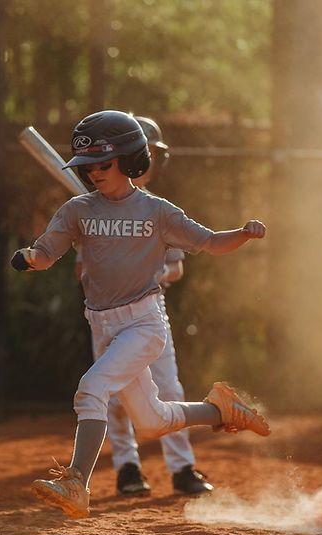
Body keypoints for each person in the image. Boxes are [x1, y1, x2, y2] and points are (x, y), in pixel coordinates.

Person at [11, 110, 269, 518]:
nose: (95, 174)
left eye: (104, 165)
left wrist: (243, 233)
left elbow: (210, 242)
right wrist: (29, 258)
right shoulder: (78, 211)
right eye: (88, 167)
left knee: (91, 387)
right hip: (104, 324)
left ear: (132, 161)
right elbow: (47, 253)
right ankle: (222, 410)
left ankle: (77, 480)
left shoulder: (157, 211)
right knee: (151, 420)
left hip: (143, 323)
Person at [77, 115, 212, 497]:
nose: (150, 159)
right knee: (116, 396)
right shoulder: (89, 211)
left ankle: (183, 467)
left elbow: (177, 268)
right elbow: (80, 271)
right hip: (107, 318)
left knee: (168, 387)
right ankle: (127, 467)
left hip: (150, 314)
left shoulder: (157, 209)